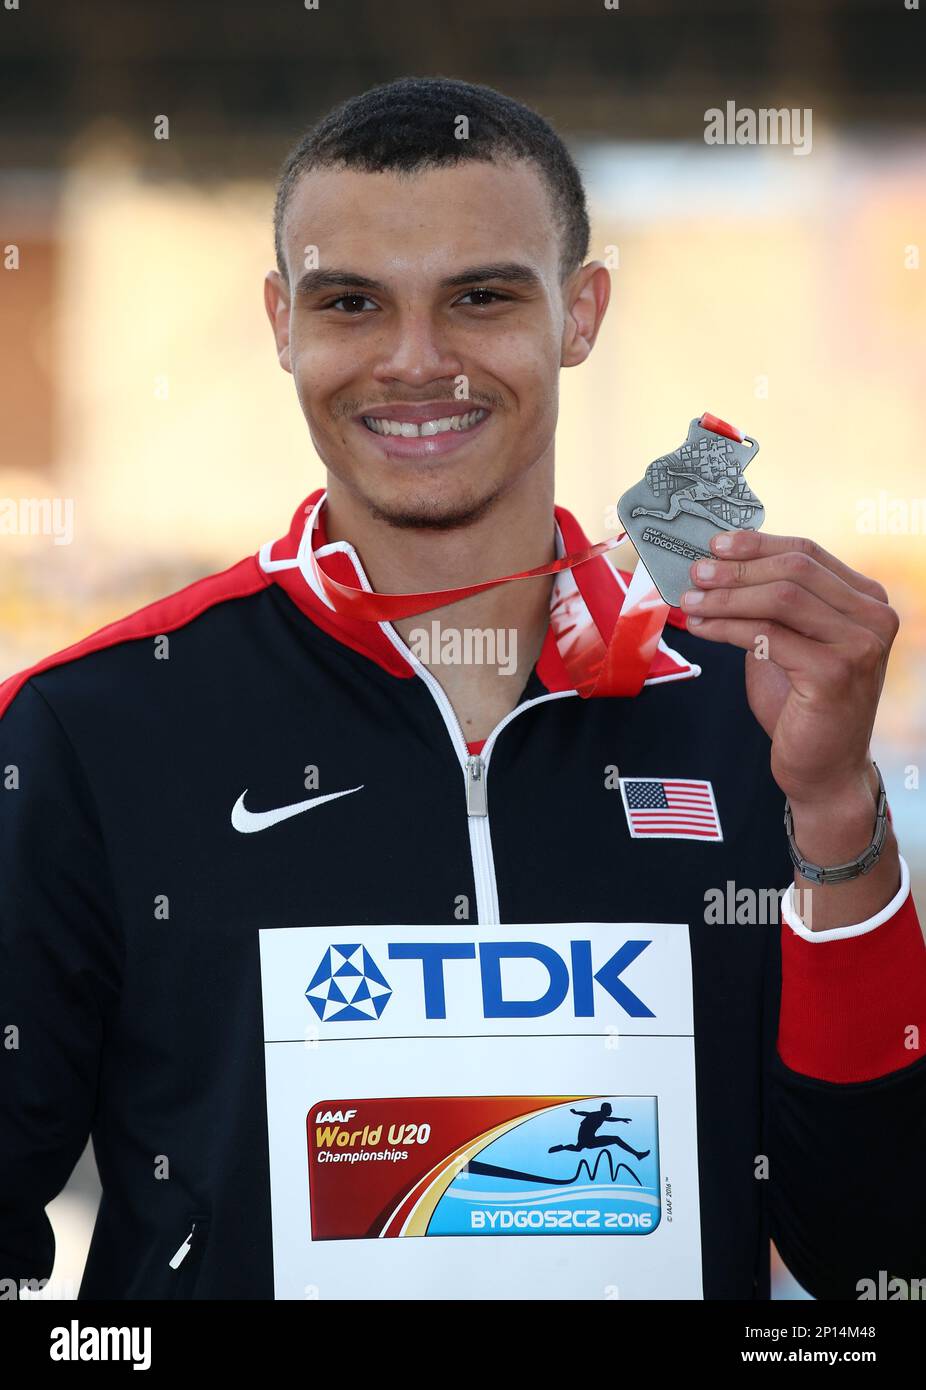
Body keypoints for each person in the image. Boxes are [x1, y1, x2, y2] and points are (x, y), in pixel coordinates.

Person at [1, 76, 924, 1301]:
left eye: (480, 297)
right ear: (282, 324)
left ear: (578, 313)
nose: (414, 361)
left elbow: (872, 1255)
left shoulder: (745, 708)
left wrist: (834, 816)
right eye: (350, 304)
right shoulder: (91, 723)